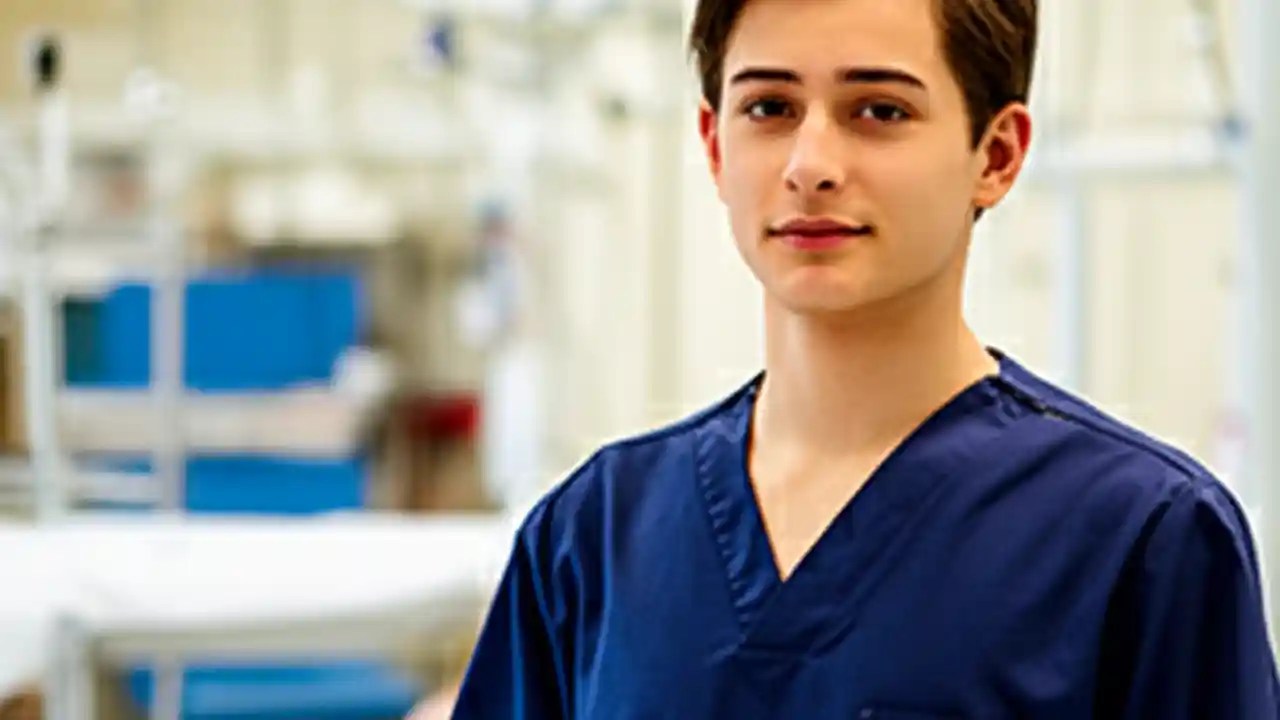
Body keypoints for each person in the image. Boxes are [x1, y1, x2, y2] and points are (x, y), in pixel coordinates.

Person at [450, 0, 1280, 717]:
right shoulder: (594, 538)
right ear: (712, 145)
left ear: (996, 155)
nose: (811, 166)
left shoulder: (1139, 538)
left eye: (878, 110)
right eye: (770, 108)